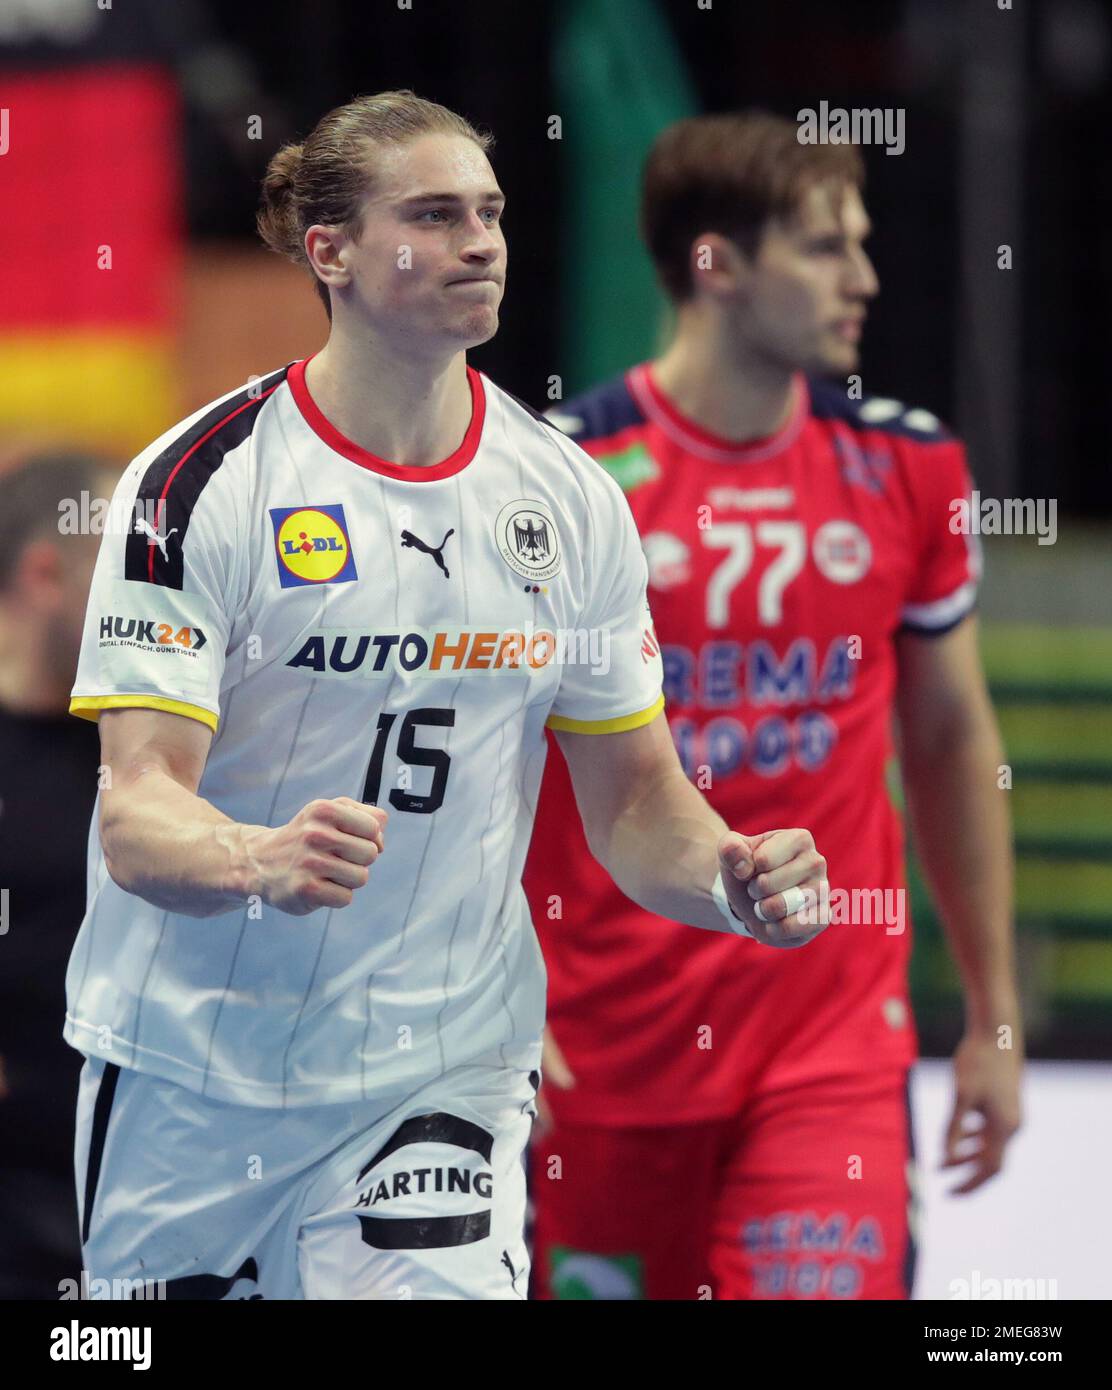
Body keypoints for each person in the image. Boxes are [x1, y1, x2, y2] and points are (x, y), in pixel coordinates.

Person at [65, 91, 829, 1302]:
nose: (480, 242)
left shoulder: (569, 499)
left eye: (490, 211)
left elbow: (635, 801)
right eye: (434, 214)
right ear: (332, 253)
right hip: (190, 1068)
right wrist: (254, 856)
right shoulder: (197, 483)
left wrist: (724, 872)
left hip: (438, 1067)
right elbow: (135, 808)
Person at [525, 111, 1021, 1301]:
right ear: (715, 265)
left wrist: (992, 1014)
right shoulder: (559, 479)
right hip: (596, 1052)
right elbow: (485, 758)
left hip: (827, 1046)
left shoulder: (907, 466)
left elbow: (951, 742)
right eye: (821, 247)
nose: (864, 278)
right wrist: (493, 994)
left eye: (855, 242)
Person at [0, 449, 119, 1298]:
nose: (149, 608)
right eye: (121, 577)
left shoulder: (146, 749)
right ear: (45, 572)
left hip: (139, 1189)